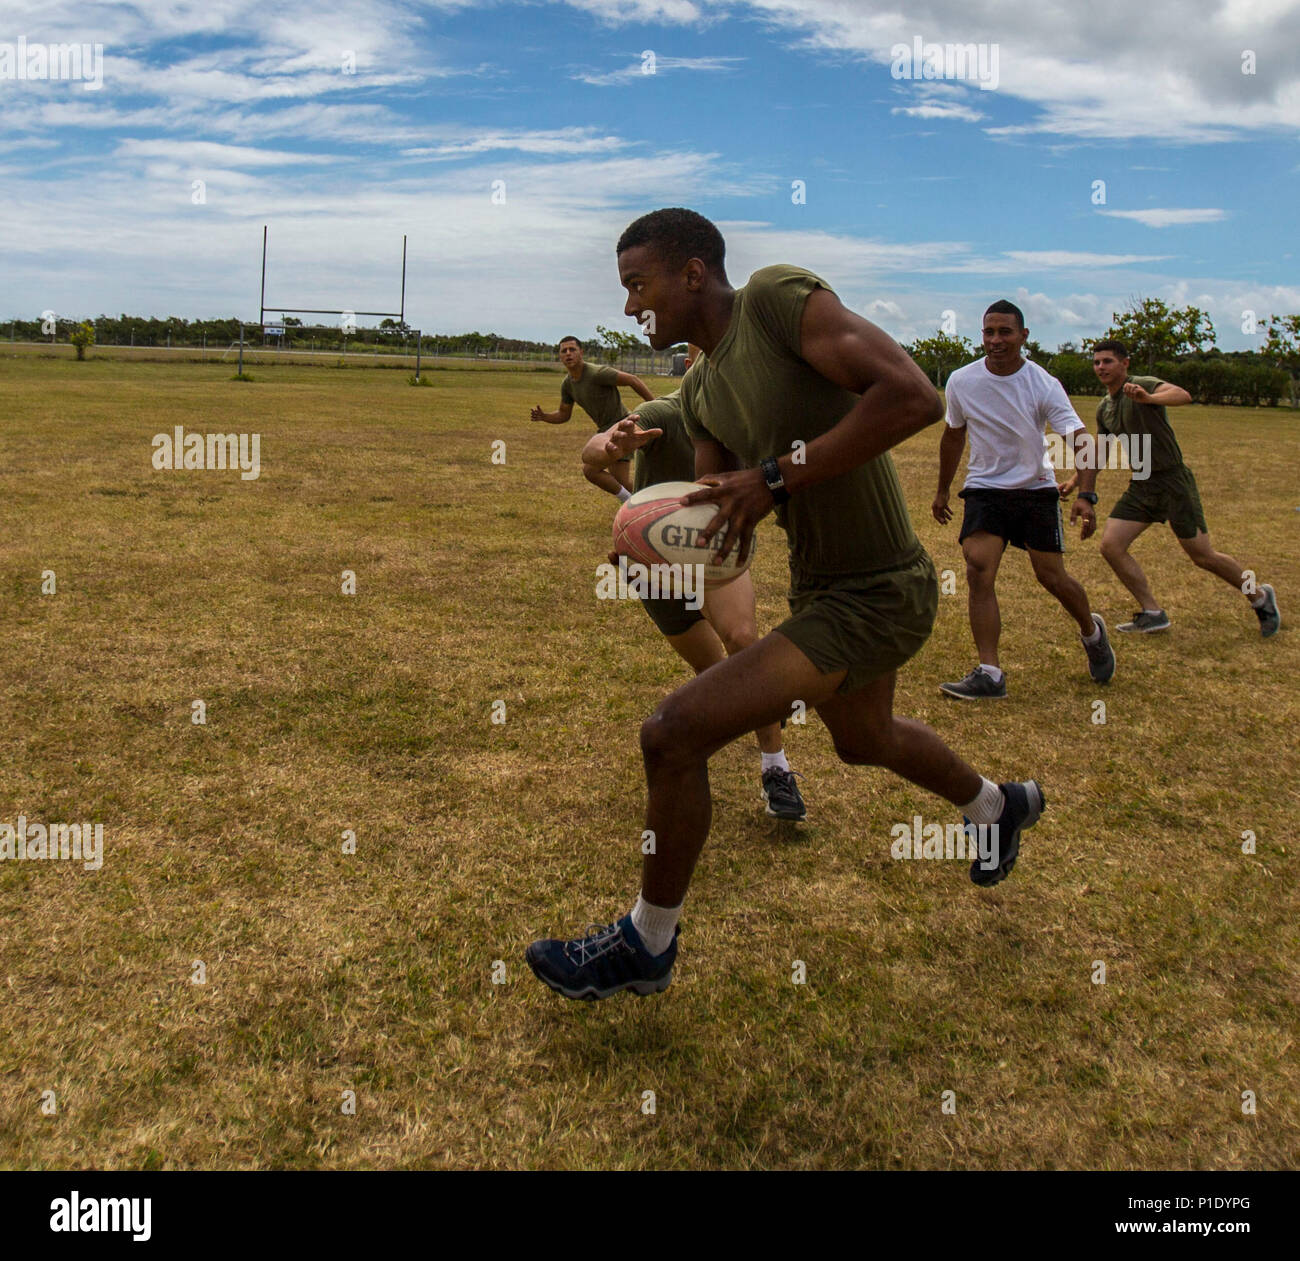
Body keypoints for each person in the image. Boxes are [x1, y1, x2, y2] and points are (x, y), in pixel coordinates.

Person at [526, 208, 1044, 1002]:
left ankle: (646, 942)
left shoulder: (774, 301)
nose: (630, 306)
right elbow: (714, 517)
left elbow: (912, 397)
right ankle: (997, 805)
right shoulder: (701, 392)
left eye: (639, 284)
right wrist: (649, 539)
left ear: (693, 272)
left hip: (879, 590)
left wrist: (772, 478)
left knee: (672, 734)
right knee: (865, 740)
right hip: (825, 589)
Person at [581, 345, 806, 821]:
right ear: (692, 369)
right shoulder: (666, 410)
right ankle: (754, 711)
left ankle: (776, 769)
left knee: (744, 645)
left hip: (716, 558)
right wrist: (614, 444)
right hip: (653, 568)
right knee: (717, 679)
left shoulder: (755, 422)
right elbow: (593, 450)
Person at [933, 300, 1115, 699]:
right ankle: (990, 673)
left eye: (1004, 332)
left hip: (1035, 490)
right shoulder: (962, 381)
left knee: (1051, 577)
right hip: (984, 490)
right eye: (988, 332)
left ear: (1024, 336)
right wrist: (944, 488)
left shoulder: (1043, 383)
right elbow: (953, 435)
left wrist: (1086, 493)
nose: (995, 340)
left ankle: (1091, 631)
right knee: (978, 569)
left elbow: (1080, 440)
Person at [1073, 341, 1280, 637]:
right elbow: (1101, 451)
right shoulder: (1104, 407)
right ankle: (1153, 612)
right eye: (1096, 363)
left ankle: (1259, 596)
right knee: (1111, 546)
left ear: (1125, 364)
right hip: (1142, 484)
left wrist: (1148, 398)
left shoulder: (1140, 385)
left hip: (1172, 481)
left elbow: (1182, 394)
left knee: (1203, 556)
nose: (1101, 368)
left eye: (1107, 361)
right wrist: (1077, 481)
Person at [529, 336, 654, 499]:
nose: (568, 354)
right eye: (564, 351)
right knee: (618, 481)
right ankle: (641, 504)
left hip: (622, 426)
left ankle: (634, 504)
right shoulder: (568, 385)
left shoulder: (597, 373)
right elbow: (564, 414)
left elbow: (632, 380)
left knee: (592, 470)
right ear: (559, 357)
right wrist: (544, 416)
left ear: (581, 352)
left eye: (572, 349)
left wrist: (655, 405)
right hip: (605, 431)